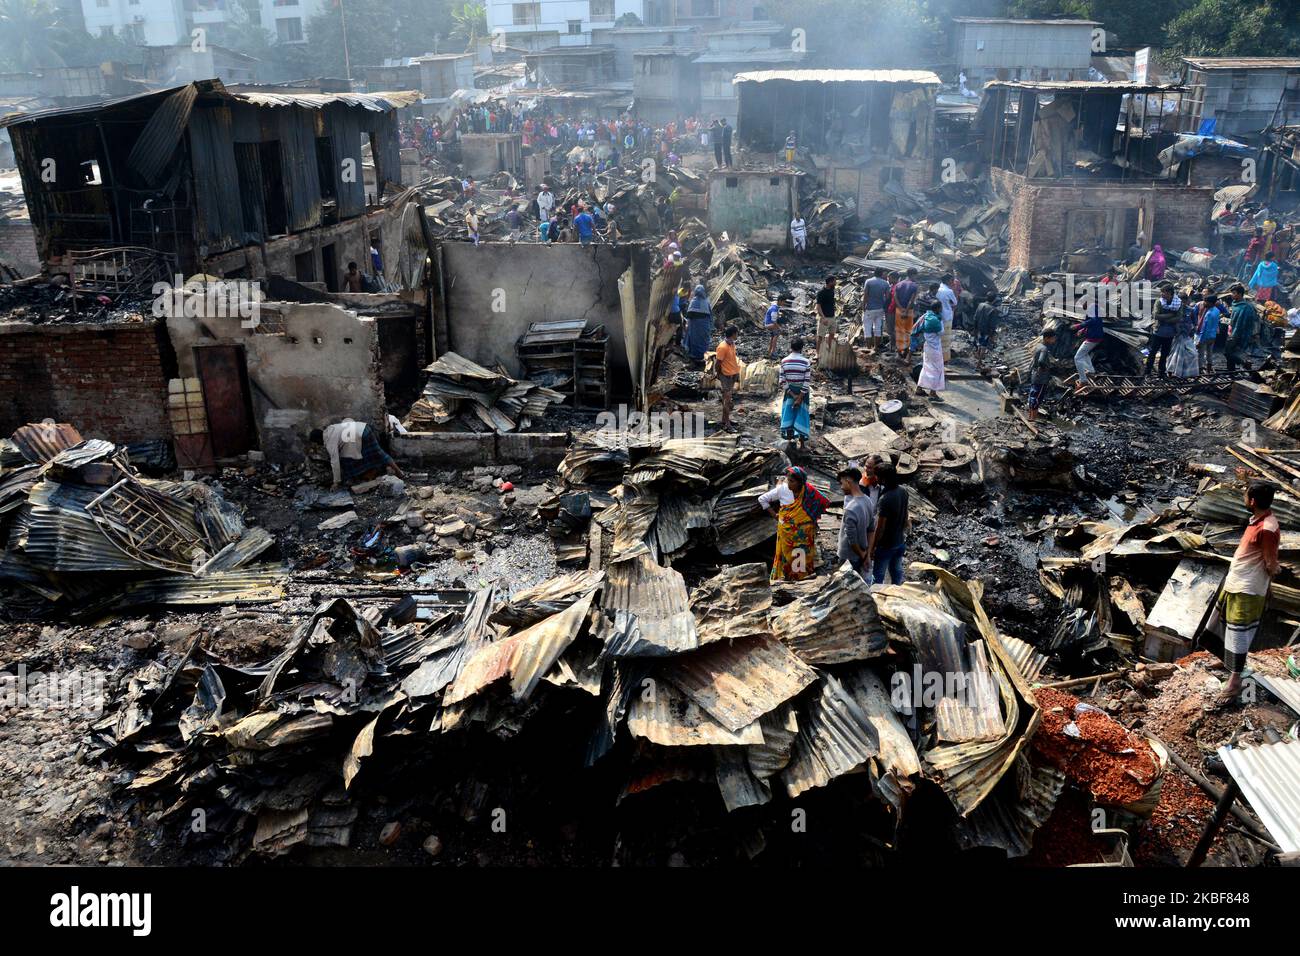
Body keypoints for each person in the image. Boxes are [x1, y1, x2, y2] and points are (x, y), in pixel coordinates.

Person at [1205, 481, 1280, 709]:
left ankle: (1235, 682)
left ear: (1253, 501)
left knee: (1239, 634)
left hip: (1247, 589)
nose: (1243, 499)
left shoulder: (1267, 527)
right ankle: (1228, 662)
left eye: (1245, 496)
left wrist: (1270, 582)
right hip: (1237, 583)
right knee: (1226, 625)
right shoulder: (1257, 521)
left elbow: (1270, 563)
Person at [759, 465, 828, 582]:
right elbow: (762, 499)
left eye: (792, 481)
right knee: (787, 557)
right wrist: (774, 515)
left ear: (800, 482)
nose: (789, 483)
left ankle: (803, 580)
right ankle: (787, 580)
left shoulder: (808, 491)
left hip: (804, 535)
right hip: (787, 533)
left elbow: (822, 502)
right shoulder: (782, 490)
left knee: (802, 556)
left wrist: (812, 521)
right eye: (788, 480)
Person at [310, 419, 405, 490]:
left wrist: (336, 483)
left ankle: (398, 472)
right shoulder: (330, 429)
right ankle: (396, 473)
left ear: (318, 440)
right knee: (377, 454)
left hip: (361, 434)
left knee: (379, 454)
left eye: (316, 443)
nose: (318, 445)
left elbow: (335, 462)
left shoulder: (329, 442)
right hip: (364, 428)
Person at [871, 462, 908, 585]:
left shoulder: (885, 499)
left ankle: (876, 599)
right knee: (896, 570)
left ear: (883, 478)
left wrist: (873, 547)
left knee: (878, 576)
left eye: (876, 476)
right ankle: (897, 591)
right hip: (900, 541)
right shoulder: (903, 491)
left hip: (886, 545)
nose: (875, 478)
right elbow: (906, 515)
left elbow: (880, 528)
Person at [837, 466, 876, 581]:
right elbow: (871, 529)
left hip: (848, 557)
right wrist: (867, 555)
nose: (841, 487)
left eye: (842, 483)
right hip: (862, 553)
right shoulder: (868, 501)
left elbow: (852, 540)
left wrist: (863, 556)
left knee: (845, 590)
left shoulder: (850, 508)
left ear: (848, 481)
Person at [778, 337, 812, 445]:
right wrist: (800, 397)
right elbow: (806, 382)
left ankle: (789, 443)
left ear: (791, 347)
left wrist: (793, 395)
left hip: (790, 392)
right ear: (802, 348)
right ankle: (802, 444)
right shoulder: (806, 362)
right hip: (803, 393)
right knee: (802, 415)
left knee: (789, 414)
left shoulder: (784, 361)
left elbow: (782, 381)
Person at [1145, 282, 1180, 377]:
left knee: (1165, 354)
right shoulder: (1159, 301)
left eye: (1163, 292)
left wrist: (1164, 318)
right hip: (1158, 332)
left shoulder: (1178, 302)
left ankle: (1161, 372)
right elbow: (1155, 315)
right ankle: (1147, 371)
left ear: (1170, 293)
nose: (1162, 294)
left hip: (1170, 334)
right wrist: (1171, 315)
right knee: (1152, 352)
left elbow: (1179, 318)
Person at [912, 301, 945, 399]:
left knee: (926, 368)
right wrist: (941, 321)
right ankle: (932, 393)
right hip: (934, 349)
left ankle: (919, 389)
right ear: (938, 308)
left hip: (927, 347)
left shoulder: (926, 316)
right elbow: (941, 333)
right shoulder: (935, 320)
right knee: (937, 370)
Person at [1072, 292, 1105, 391]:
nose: (1082, 306)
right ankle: (1091, 371)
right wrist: (1082, 330)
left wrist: (1079, 326)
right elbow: (1091, 323)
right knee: (1084, 354)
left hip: (1093, 337)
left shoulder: (1093, 307)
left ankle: (1083, 381)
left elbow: (1094, 321)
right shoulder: (1092, 307)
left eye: (1083, 303)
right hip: (1093, 336)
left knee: (1077, 358)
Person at [1167, 288, 1200, 379]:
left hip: (1186, 336)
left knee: (1192, 354)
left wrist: (1194, 331)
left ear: (1186, 301)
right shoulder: (1173, 310)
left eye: (1183, 301)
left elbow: (1195, 322)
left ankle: (1187, 373)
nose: (1182, 304)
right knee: (1174, 355)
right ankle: (1170, 372)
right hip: (1175, 336)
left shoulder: (1191, 310)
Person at [1226, 283, 1259, 375]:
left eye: (1234, 293)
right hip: (1231, 332)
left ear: (1240, 294)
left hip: (1238, 334)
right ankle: (1231, 372)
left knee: (1228, 353)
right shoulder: (1235, 304)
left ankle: (1244, 363)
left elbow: (1246, 323)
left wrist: (1237, 335)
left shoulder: (1246, 307)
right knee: (1229, 352)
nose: (1232, 295)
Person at [715, 324, 741, 433]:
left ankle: (724, 420)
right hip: (726, 376)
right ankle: (727, 424)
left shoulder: (732, 344)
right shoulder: (722, 347)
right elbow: (718, 364)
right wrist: (719, 375)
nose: (737, 335)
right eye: (737, 333)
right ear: (733, 334)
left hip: (732, 374)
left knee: (727, 399)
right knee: (727, 400)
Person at [1028, 326, 1056, 421]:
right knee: (1037, 398)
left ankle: (1030, 417)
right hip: (1041, 378)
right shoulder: (1044, 349)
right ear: (1047, 338)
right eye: (1053, 338)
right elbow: (1040, 361)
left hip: (1034, 375)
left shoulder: (1038, 346)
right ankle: (1033, 419)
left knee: (1032, 395)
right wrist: (1045, 368)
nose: (1054, 340)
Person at [1195, 292, 1226, 373]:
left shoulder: (1208, 314)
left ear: (1210, 303)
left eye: (1205, 301)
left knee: (1200, 354)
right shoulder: (1217, 310)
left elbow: (1204, 329)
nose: (1204, 303)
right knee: (1209, 353)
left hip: (1205, 336)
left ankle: (1199, 370)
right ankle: (1208, 369)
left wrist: (1200, 341)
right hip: (1213, 336)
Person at [684, 284, 713, 367]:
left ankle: (695, 358)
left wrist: (687, 324)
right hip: (703, 326)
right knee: (702, 341)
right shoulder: (706, 302)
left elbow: (689, 315)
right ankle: (702, 358)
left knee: (694, 341)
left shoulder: (693, 301)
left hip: (695, 326)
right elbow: (710, 315)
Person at [892, 269, 919, 358]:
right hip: (908, 311)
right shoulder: (914, 285)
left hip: (899, 310)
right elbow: (911, 300)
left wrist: (901, 308)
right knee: (907, 330)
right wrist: (906, 311)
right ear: (913, 274)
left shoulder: (899, 284)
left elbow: (895, 297)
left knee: (899, 330)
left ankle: (899, 350)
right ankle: (906, 350)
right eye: (916, 275)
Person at [862, 268, 890, 352]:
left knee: (867, 329)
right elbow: (887, 297)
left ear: (874, 273)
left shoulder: (869, 281)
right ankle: (876, 348)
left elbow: (865, 295)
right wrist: (884, 307)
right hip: (880, 309)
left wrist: (863, 306)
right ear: (881, 274)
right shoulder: (885, 283)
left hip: (869, 308)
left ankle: (869, 349)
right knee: (878, 329)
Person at [972, 290, 1001, 366]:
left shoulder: (980, 305)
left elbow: (975, 317)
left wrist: (975, 328)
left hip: (978, 328)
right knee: (983, 346)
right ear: (994, 299)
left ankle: (977, 358)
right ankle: (979, 362)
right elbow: (992, 325)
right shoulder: (993, 310)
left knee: (979, 343)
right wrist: (991, 334)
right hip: (986, 331)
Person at [814, 275, 838, 365]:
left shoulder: (832, 291)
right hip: (825, 318)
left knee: (832, 335)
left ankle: (829, 351)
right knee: (820, 337)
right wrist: (823, 318)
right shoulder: (821, 293)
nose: (835, 283)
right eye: (834, 281)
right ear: (830, 282)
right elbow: (818, 306)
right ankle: (817, 353)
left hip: (832, 317)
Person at [936, 274, 958, 362]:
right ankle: (944, 359)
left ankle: (937, 357)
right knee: (945, 339)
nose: (953, 282)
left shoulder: (938, 289)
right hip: (947, 316)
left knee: (938, 338)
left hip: (938, 316)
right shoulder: (949, 291)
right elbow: (955, 303)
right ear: (949, 281)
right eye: (952, 280)